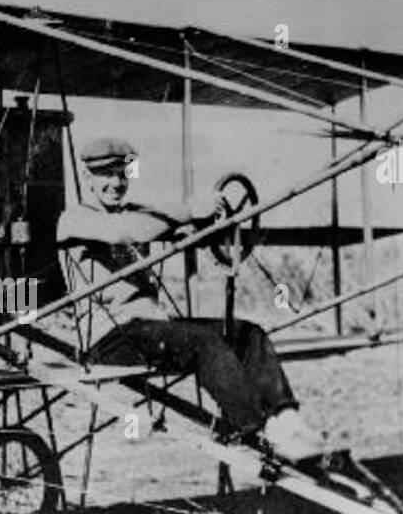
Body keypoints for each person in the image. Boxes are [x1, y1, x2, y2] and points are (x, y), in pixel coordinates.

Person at [56, 136, 327, 462]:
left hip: (150, 329)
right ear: (87, 177)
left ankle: (287, 422)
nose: (116, 183)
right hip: (108, 338)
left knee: (247, 333)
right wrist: (189, 210)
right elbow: (126, 232)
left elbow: (177, 228)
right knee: (202, 341)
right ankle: (254, 429)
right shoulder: (74, 220)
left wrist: (213, 219)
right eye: (106, 175)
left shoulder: (139, 214)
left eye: (122, 174)